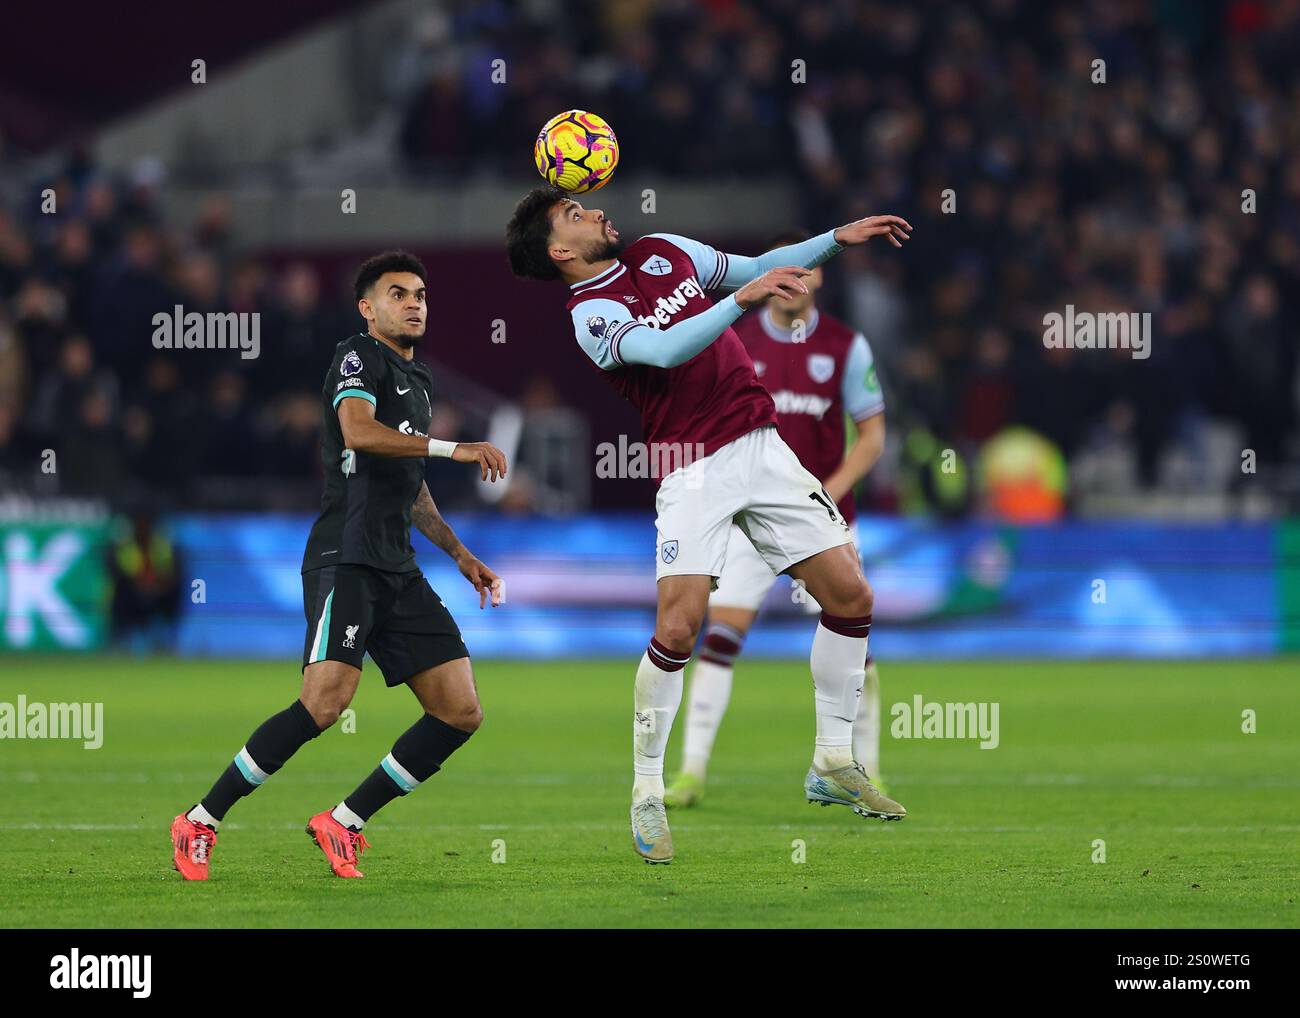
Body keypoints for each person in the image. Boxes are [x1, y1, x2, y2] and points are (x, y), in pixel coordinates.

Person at [506, 187, 911, 864]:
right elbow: (663, 351)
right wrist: (741, 302)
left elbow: (760, 264)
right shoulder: (591, 314)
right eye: (576, 214)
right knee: (678, 627)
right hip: (691, 467)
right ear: (560, 251)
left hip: (762, 443)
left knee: (852, 598)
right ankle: (646, 791)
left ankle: (833, 760)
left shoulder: (665, 252)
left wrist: (836, 238)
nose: (597, 211)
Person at [170, 251, 507, 880]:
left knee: (459, 711)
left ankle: (344, 822)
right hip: (344, 557)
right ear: (368, 308)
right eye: (398, 294)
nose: (414, 303)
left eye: (421, 295)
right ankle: (200, 819)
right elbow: (357, 431)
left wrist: (461, 554)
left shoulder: (421, 381)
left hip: (396, 567)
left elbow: (411, 486)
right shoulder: (357, 356)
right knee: (324, 705)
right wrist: (453, 447)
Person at [663, 230, 890, 808]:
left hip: (821, 511)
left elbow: (872, 437)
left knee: (856, 633)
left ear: (819, 278)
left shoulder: (845, 346)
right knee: (720, 636)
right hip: (743, 514)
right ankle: (691, 773)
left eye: (808, 270)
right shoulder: (734, 340)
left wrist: (831, 489)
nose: (797, 279)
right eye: (786, 270)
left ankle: (862, 768)